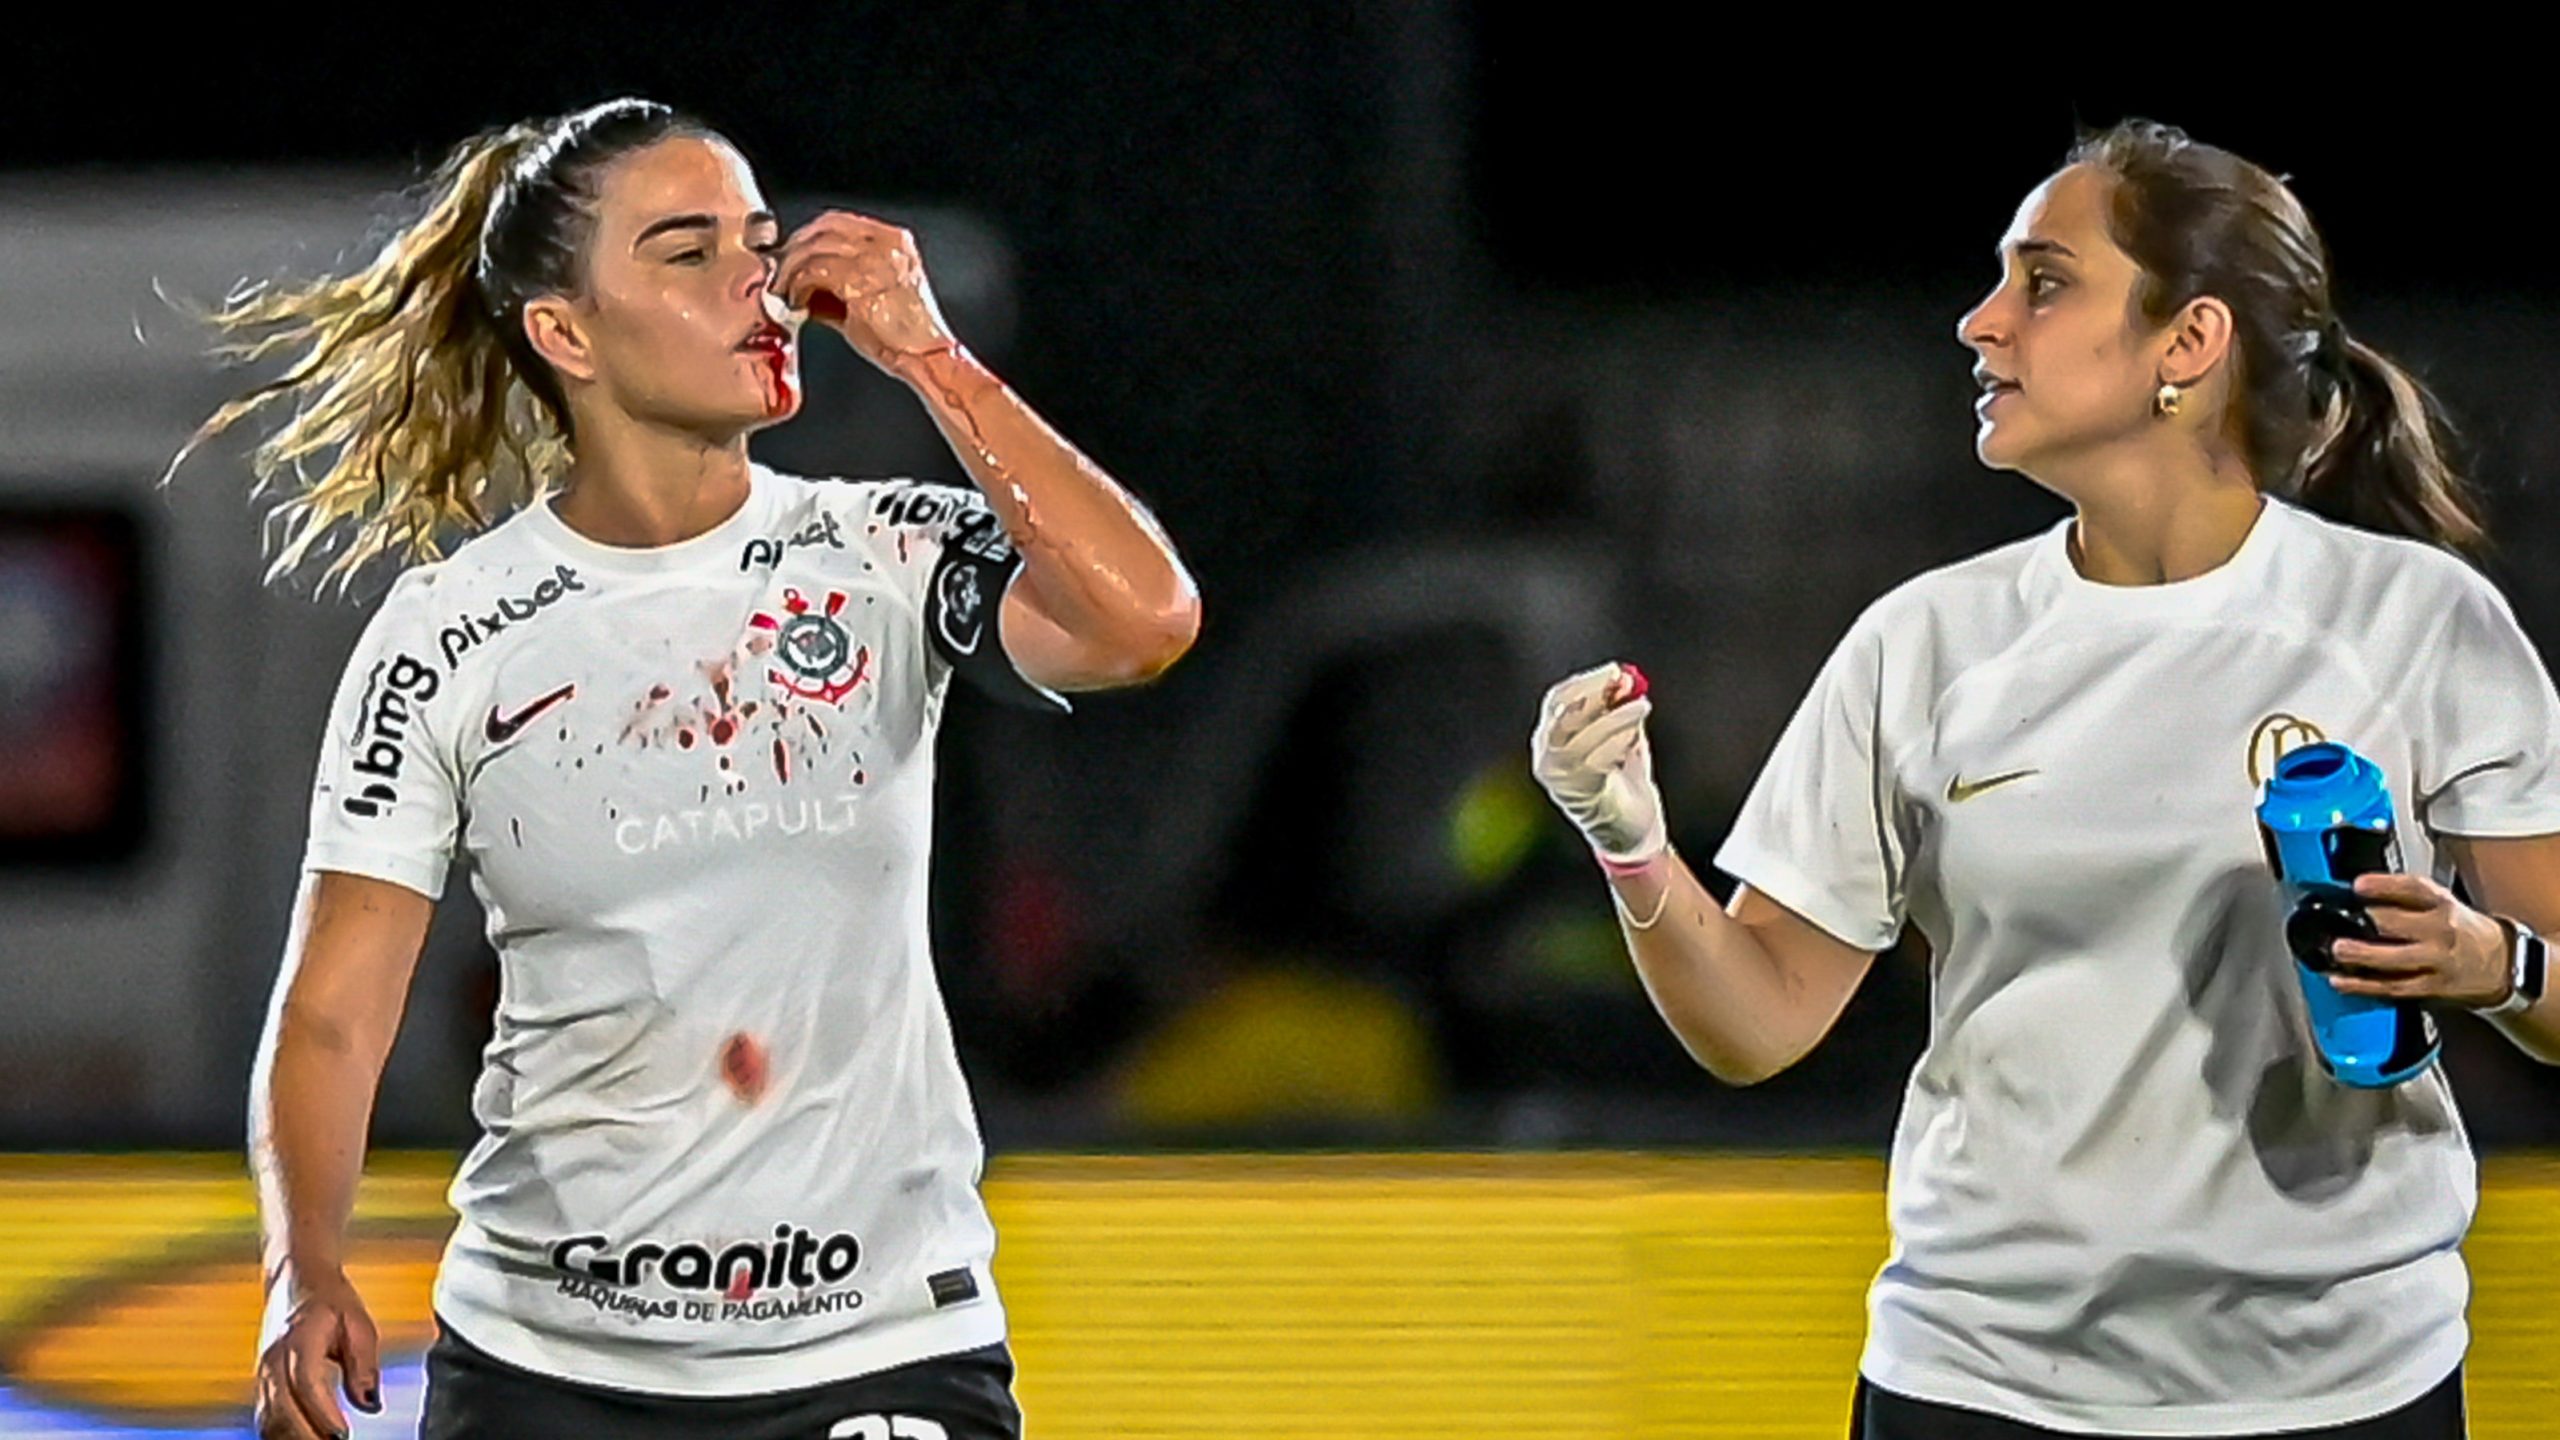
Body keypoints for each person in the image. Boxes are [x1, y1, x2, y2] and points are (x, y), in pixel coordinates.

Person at [1530, 119, 2560, 1439]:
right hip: (1981, 1389)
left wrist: (2499, 966)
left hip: (2347, 1390)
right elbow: (1761, 1020)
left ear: (2187, 345)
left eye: (2043, 282)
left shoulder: (2417, 621)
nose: (1979, 323)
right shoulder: (1928, 641)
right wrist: (1631, 846)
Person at [198, 98, 1201, 1440]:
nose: (760, 279)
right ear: (566, 334)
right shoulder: (449, 634)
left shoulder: (883, 556)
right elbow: (331, 1014)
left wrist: (934, 361)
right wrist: (300, 1271)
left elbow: (1143, 623)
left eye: (760, 239)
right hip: (551, 1371)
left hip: (882, 1351)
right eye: (688, 251)